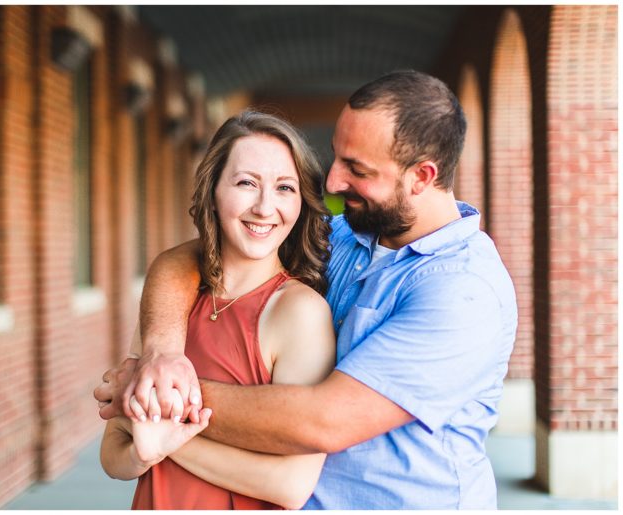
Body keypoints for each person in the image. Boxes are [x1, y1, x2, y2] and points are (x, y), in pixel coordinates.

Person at [95, 70, 518, 509]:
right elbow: (190, 256)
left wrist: (154, 395)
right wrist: (162, 355)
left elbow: (325, 422)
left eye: (357, 169)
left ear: (422, 176)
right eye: (336, 157)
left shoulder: (464, 293)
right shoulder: (343, 234)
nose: (333, 182)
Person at [98, 111, 336, 509]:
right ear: (212, 191)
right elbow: (113, 455)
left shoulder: (300, 313)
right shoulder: (169, 306)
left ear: (301, 202)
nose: (264, 207)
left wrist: (165, 441)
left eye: (284, 188)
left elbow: (290, 485)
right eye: (246, 183)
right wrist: (142, 453)